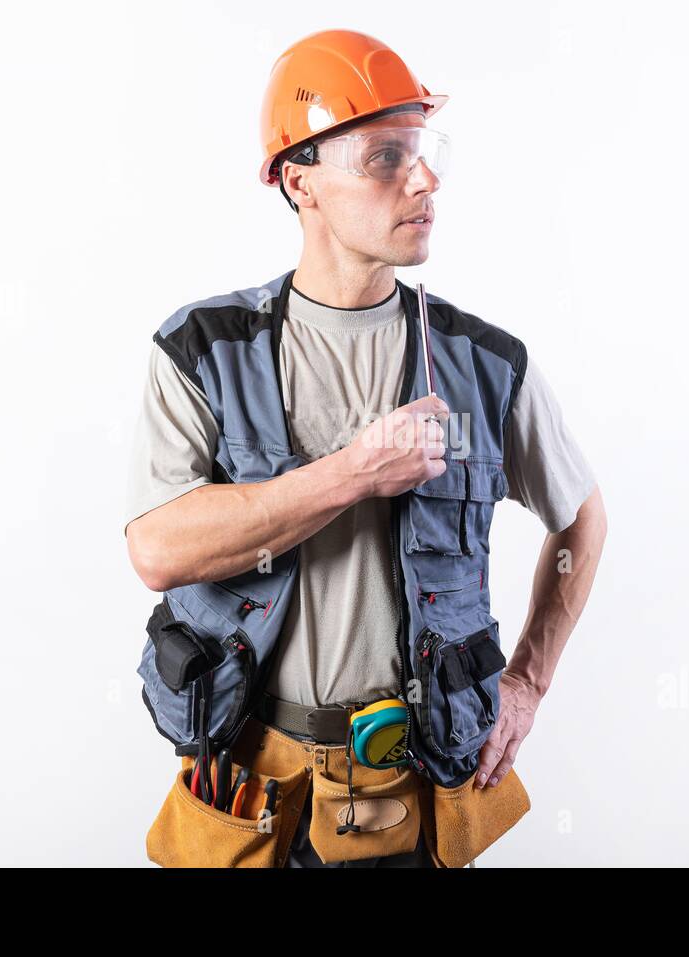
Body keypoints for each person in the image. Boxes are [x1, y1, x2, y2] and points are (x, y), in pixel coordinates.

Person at [125, 29, 606, 867]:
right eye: (385, 156)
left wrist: (527, 681)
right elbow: (159, 550)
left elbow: (583, 524)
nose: (423, 179)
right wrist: (353, 473)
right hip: (247, 786)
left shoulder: (485, 367)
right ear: (299, 179)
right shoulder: (203, 350)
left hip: (408, 796)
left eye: (423, 151)